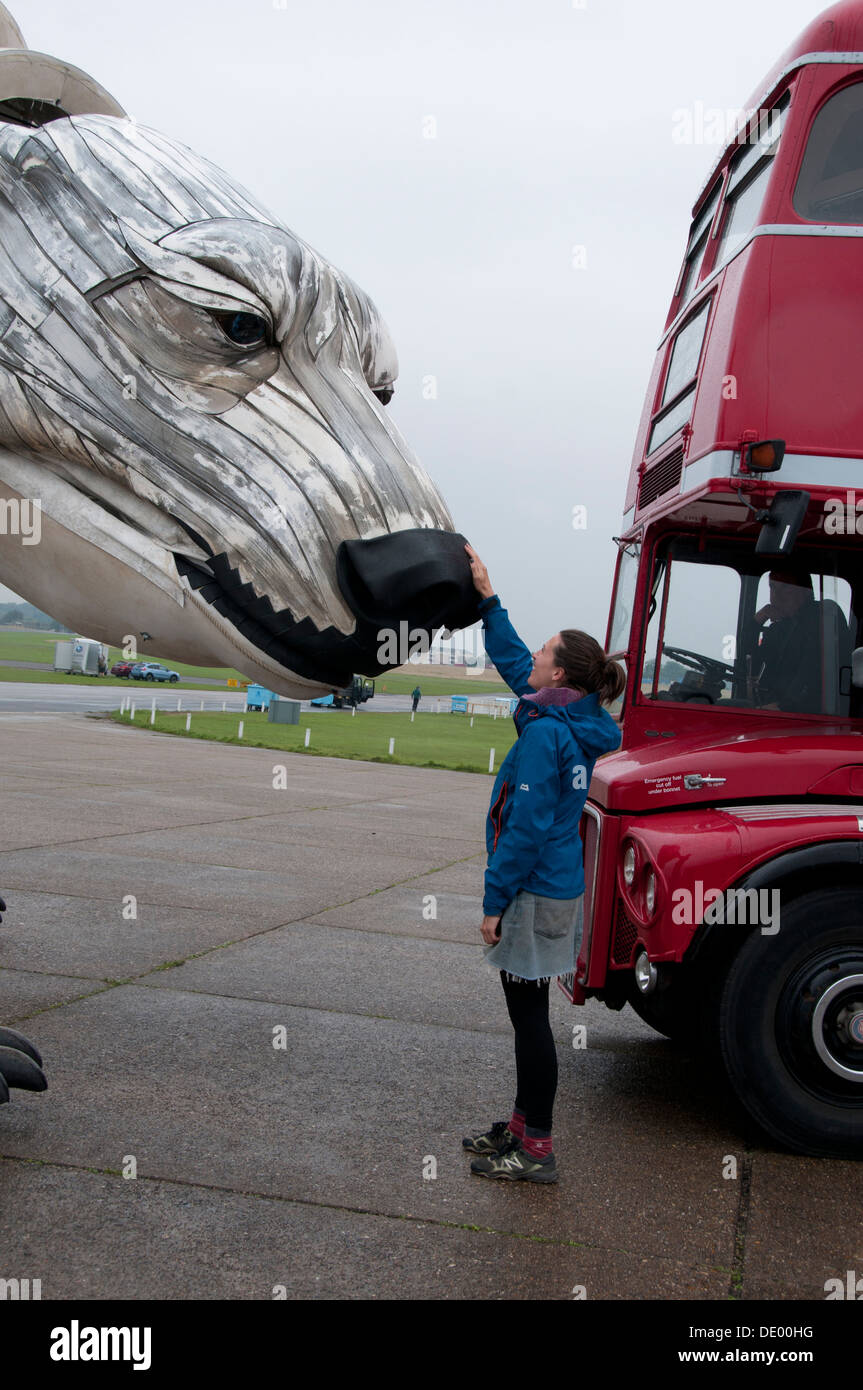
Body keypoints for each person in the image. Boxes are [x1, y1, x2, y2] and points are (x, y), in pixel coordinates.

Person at [461, 542, 624, 1183]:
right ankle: (523, 1126)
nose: (532, 658)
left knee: (530, 1022)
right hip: (555, 890)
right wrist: (487, 598)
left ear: (559, 676)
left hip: (531, 891)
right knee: (529, 1015)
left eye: (543, 653)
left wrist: (493, 903)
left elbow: (523, 831)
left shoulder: (546, 734)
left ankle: (536, 1150)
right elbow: (511, 660)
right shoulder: (570, 718)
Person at [753, 571, 851, 713]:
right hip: (773, 705)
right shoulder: (779, 629)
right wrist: (756, 622)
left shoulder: (824, 616)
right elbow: (750, 663)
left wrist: (784, 707)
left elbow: (813, 667)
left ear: (806, 591)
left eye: (785, 588)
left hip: (808, 715)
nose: (776, 596)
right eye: (772, 587)